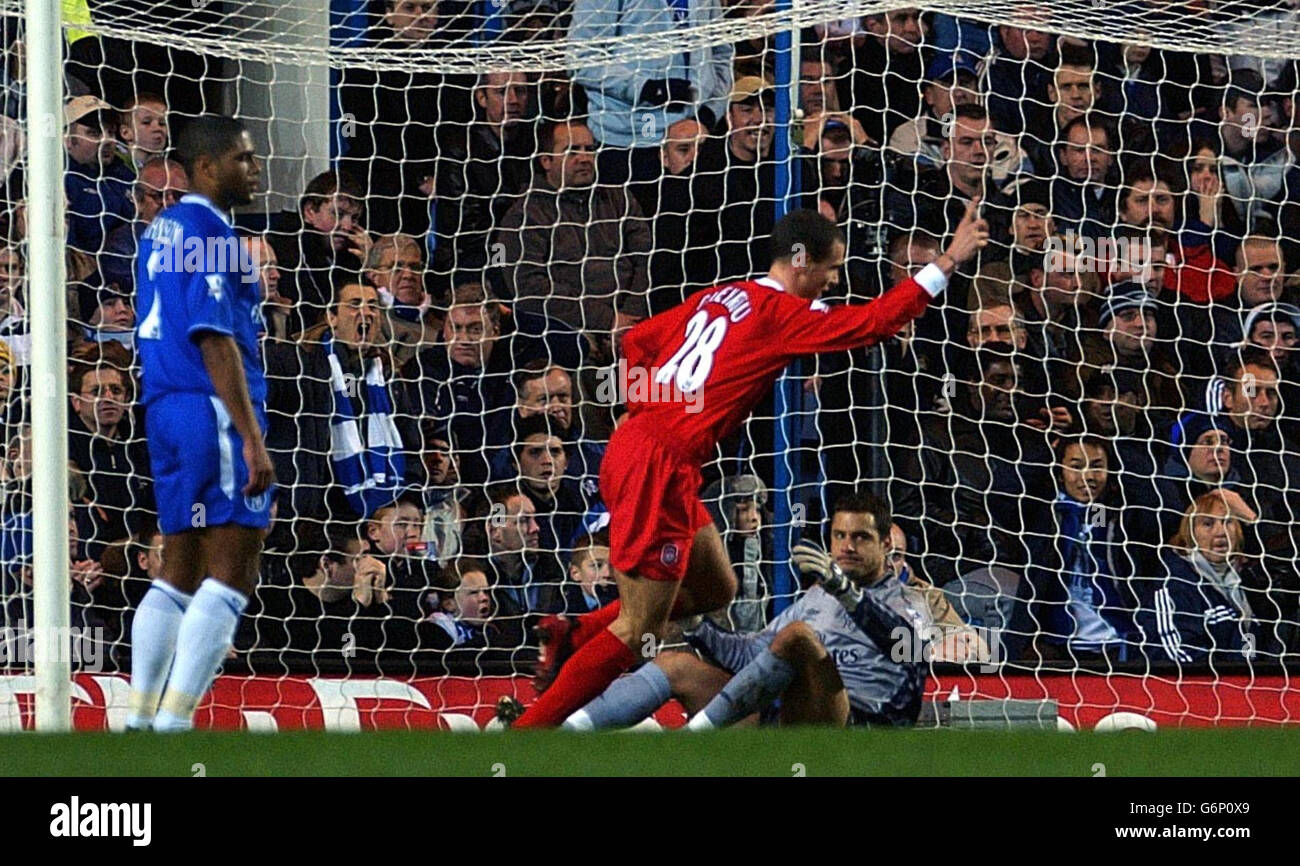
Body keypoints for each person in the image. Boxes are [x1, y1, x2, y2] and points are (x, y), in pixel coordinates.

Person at [514, 203, 989, 727]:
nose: (834, 280)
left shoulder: (722, 295)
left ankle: (573, 634)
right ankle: (530, 734)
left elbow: (638, 341)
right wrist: (947, 260)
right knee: (636, 627)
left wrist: (640, 405)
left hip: (645, 450)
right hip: (660, 464)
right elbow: (873, 322)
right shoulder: (780, 314)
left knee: (717, 589)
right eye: (832, 268)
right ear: (802, 261)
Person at [127, 115, 274, 732]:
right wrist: (250, 436)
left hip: (163, 406)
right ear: (208, 167)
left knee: (178, 570)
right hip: (207, 405)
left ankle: (139, 721)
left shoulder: (160, 229)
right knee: (235, 565)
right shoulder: (213, 237)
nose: (255, 168)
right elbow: (214, 338)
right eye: (243, 158)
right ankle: (175, 725)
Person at [561, 491, 933, 730]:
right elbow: (751, 657)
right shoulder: (817, 598)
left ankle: (692, 740)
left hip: (859, 727)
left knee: (799, 638)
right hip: (786, 718)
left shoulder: (909, 601)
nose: (847, 546)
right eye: (840, 536)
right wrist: (697, 625)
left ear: (886, 543)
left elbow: (909, 654)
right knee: (676, 665)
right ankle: (566, 730)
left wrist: (847, 592)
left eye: (861, 537)